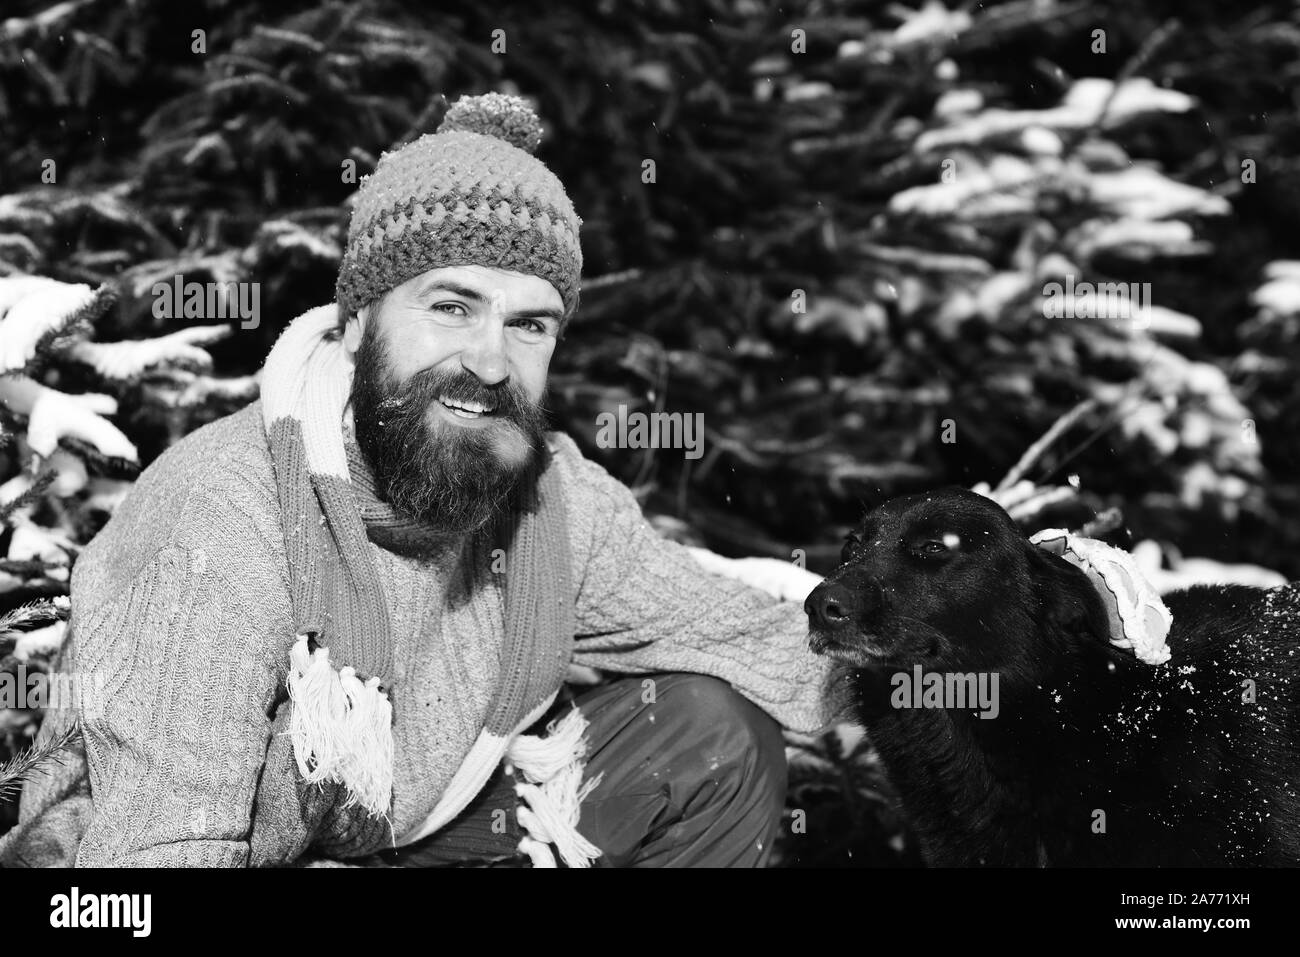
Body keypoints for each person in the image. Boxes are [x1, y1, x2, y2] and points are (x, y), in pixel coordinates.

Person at [0, 93, 839, 868]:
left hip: (429, 827)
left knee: (708, 736)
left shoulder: (547, 500)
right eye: (451, 306)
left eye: (529, 324)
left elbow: (744, 639)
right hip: (176, 855)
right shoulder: (228, 520)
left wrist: (929, 690)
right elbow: (162, 849)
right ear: (358, 321)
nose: (488, 359)